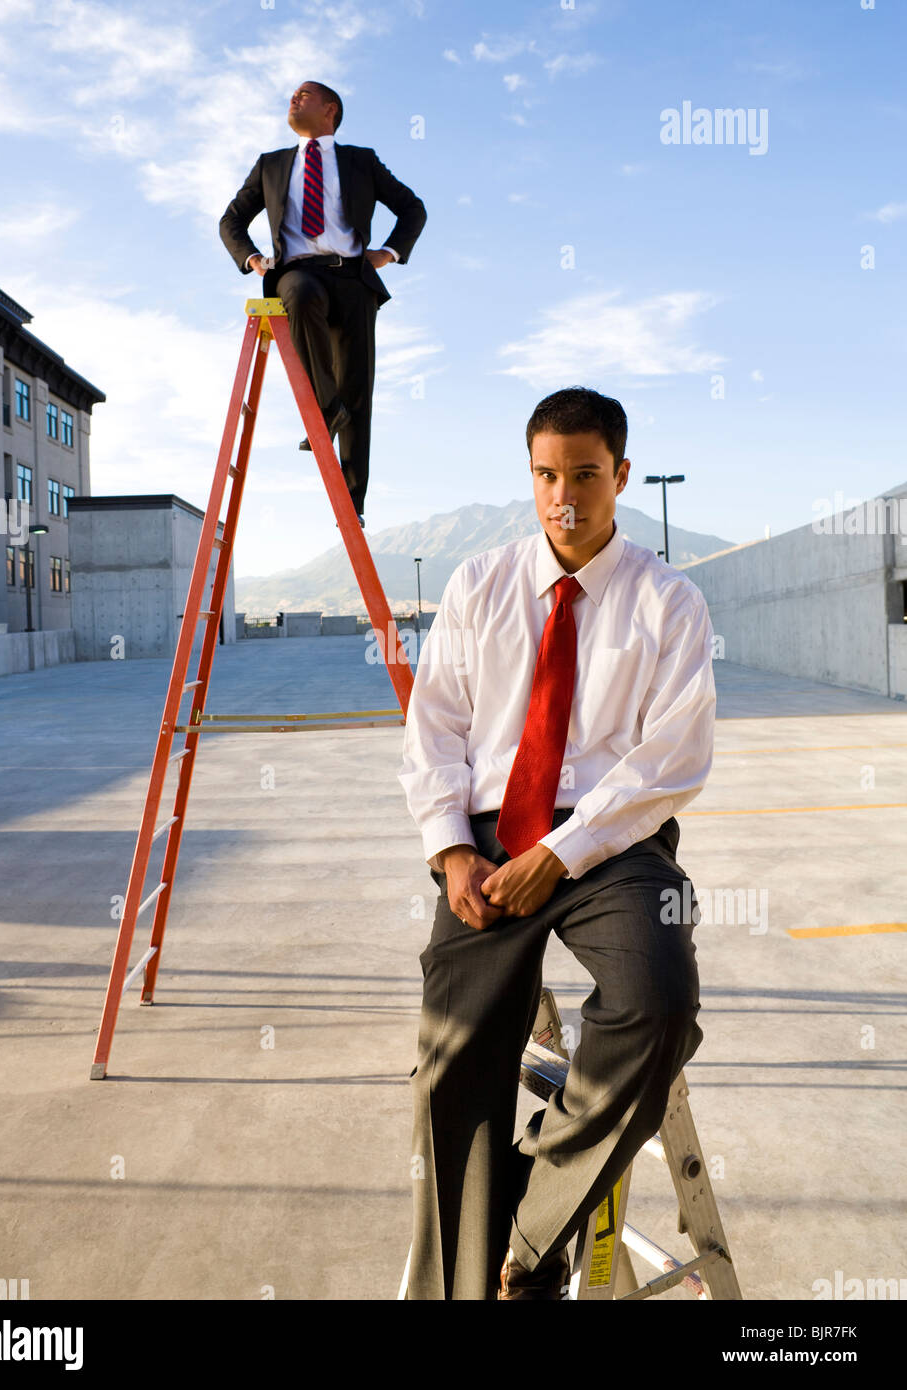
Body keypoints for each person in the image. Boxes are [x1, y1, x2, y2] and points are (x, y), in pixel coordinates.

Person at [397, 386, 717, 1300]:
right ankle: (466, 1286)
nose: (563, 497)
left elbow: (671, 758)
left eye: (584, 474)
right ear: (528, 476)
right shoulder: (480, 584)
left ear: (620, 475)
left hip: (615, 844)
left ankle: (532, 1234)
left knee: (656, 1007)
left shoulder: (669, 602)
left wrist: (563, 853)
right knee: (451, 1064)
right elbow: (436, 727)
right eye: (545, 475)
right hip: (491, 844)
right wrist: (452, 847)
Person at [219, 80, 427, 526]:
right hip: (299, 272)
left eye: (304, 94)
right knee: (298, 294)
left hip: (353, 275)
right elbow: (231, 219)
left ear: (330, 109)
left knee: (358, 386)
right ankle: (326, 407)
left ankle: (352, 504)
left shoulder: (360, 161)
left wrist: (388, 253)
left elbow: (413, 208)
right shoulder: (271, 165)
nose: (293, 99)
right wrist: (251, 257)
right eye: (292, 95)